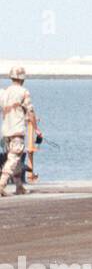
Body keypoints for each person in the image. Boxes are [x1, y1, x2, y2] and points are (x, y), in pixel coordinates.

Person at [0, 66, 36, 198]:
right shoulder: (23, 92)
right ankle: (2, 184)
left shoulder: (4, 93)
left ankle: (19, 186)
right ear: (23, 78)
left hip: (6, 132)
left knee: (16, 160)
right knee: (13, 159)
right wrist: (36, 129)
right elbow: (30, 112)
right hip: (17, 131)